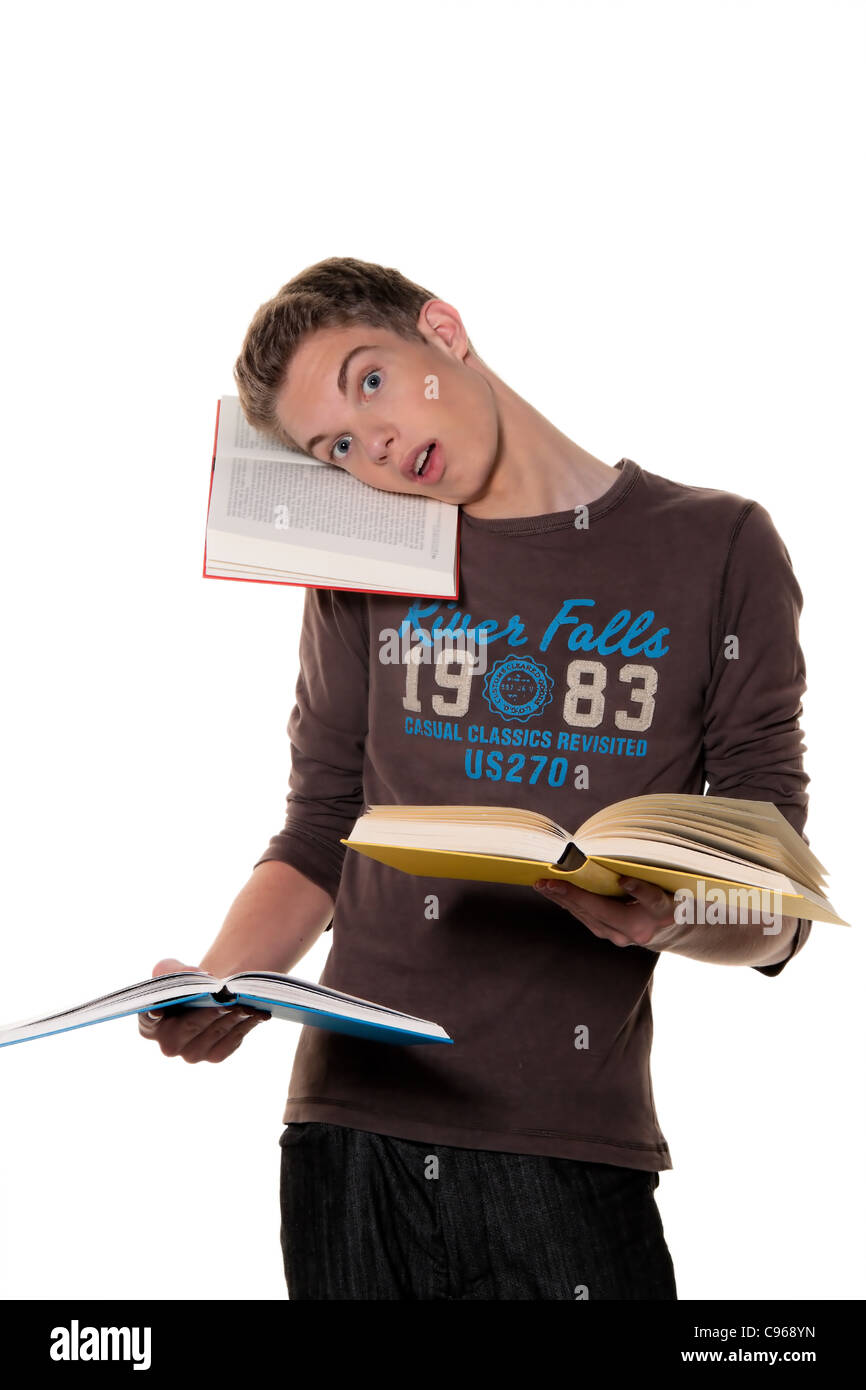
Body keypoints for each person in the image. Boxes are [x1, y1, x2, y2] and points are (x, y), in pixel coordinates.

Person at [139, 256, 812, 1300]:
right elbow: (321, 829)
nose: (375, 446)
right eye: (336, 446)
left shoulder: (716, 548)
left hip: (567, 1148)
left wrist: (669, 919)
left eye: (367, 383)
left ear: (441, 331)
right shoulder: (364, 563)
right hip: (348, 1141)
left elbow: (773, 901)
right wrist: (221, 985)